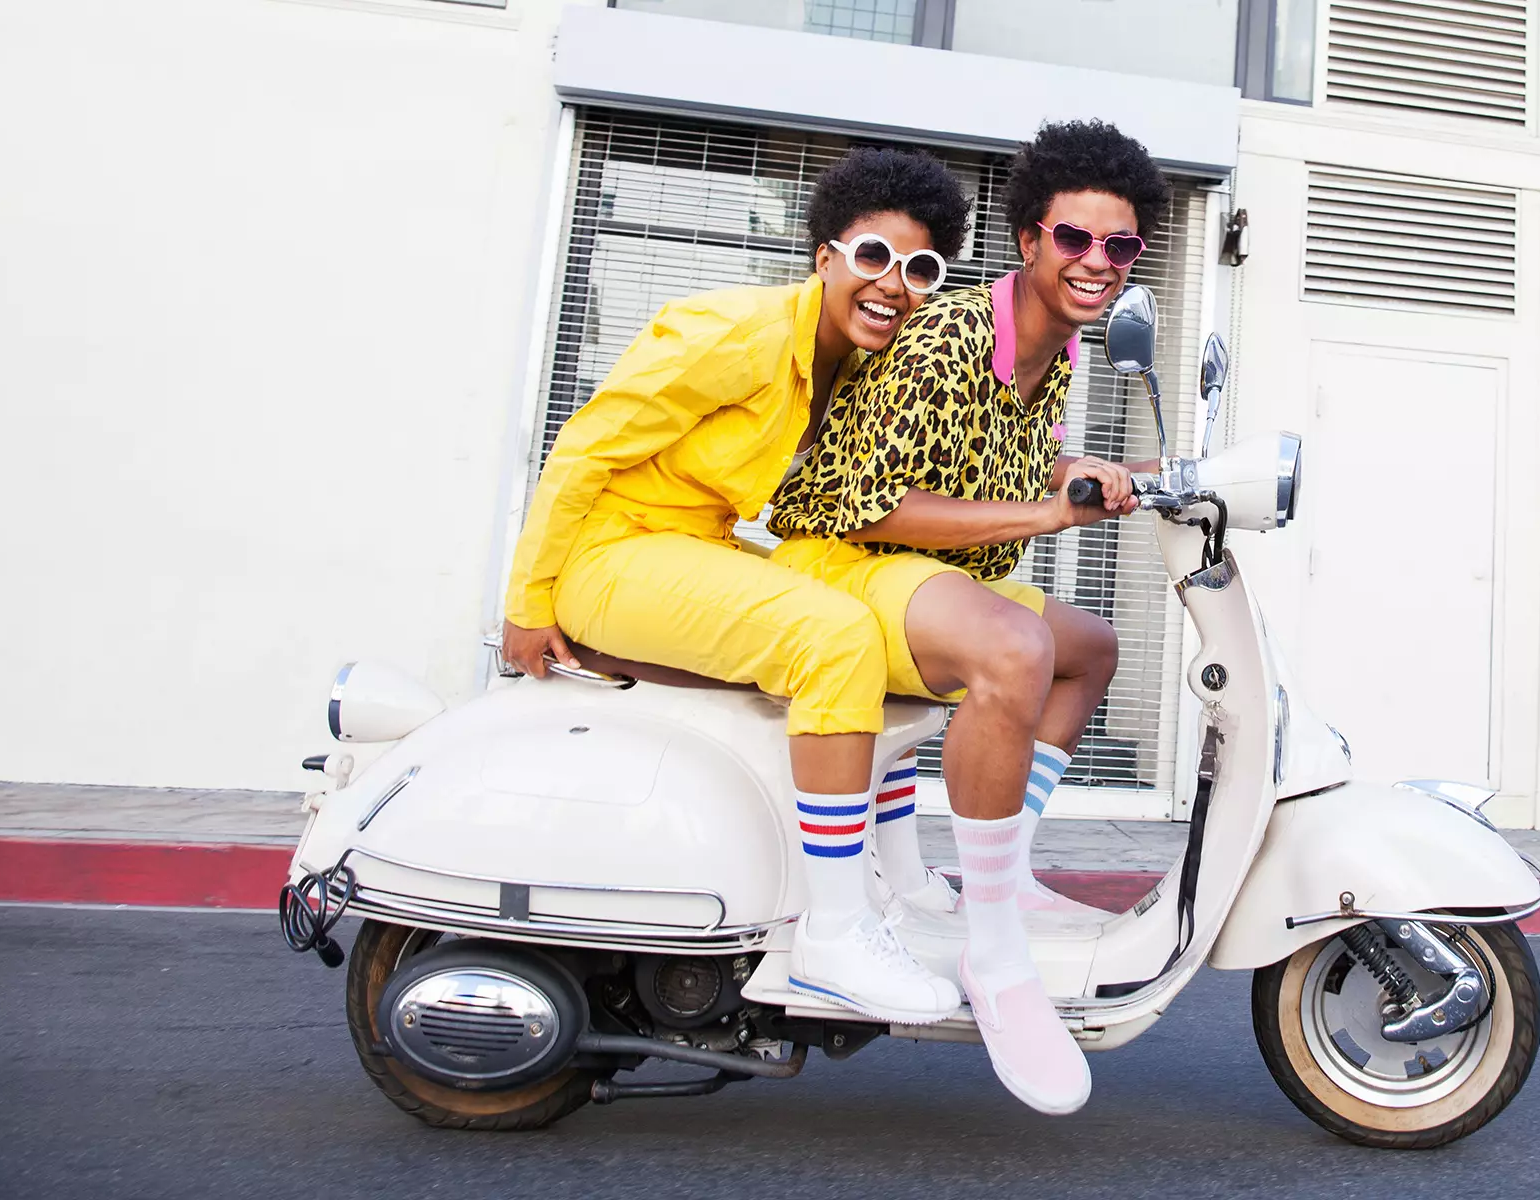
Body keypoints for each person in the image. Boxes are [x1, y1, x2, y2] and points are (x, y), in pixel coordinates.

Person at [499, 148, 973, 1025]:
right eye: (872, 255)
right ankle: (833, 935)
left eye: (919, 269)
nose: (892, 284)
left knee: (890, 614)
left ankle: (897, 876)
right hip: (616, 554)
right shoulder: (736, 331)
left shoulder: (866, 365)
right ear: (825, 255)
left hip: (695, 549)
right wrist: (526, 606)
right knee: (833, 636)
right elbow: (584, 453)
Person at [768, 120, 1171, 1114]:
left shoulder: (1060, 353)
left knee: (1090, 651)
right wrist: (1047, 506)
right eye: (1075, 239)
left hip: (941, 575)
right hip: (852, 562)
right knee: (1017, 644)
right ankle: (994, 945)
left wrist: (1107, 475)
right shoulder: (950, 334)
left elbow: (1025, 458)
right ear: (1029, 240)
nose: (1096, 263)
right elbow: (873, 502)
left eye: (1118, 247)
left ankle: (1004, 868)